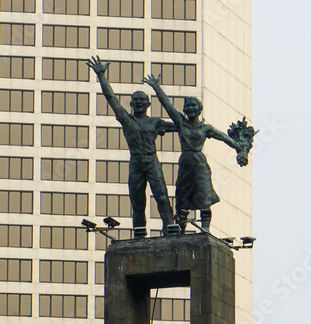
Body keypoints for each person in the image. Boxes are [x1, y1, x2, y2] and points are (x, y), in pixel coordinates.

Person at [143, 74, 251, 231]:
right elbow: (168, 106)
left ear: (200, 109)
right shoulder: (181, 123)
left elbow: (224, 138)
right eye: (188, 106)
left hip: (199, 163)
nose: (190, 108)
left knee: (204, 194)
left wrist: (239, 148)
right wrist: (156, 87)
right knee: (182, 196)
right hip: (186, 162)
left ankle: (205, 227)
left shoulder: (205, 128)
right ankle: (181, 230)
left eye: (194, 106)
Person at [87, 55, 177, 237]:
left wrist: (194, 122)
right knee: (137, 199)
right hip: (136, 161)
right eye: (135, 101)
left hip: (152, 160)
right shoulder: (126, 119)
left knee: (161, 195)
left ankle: (170, 227)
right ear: (131, 104)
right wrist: (102, 76)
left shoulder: (155, 123)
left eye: (142, 101)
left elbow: (180, 126)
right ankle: (139, 231)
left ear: (148, 104)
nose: (138, 103)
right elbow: (111, 98)